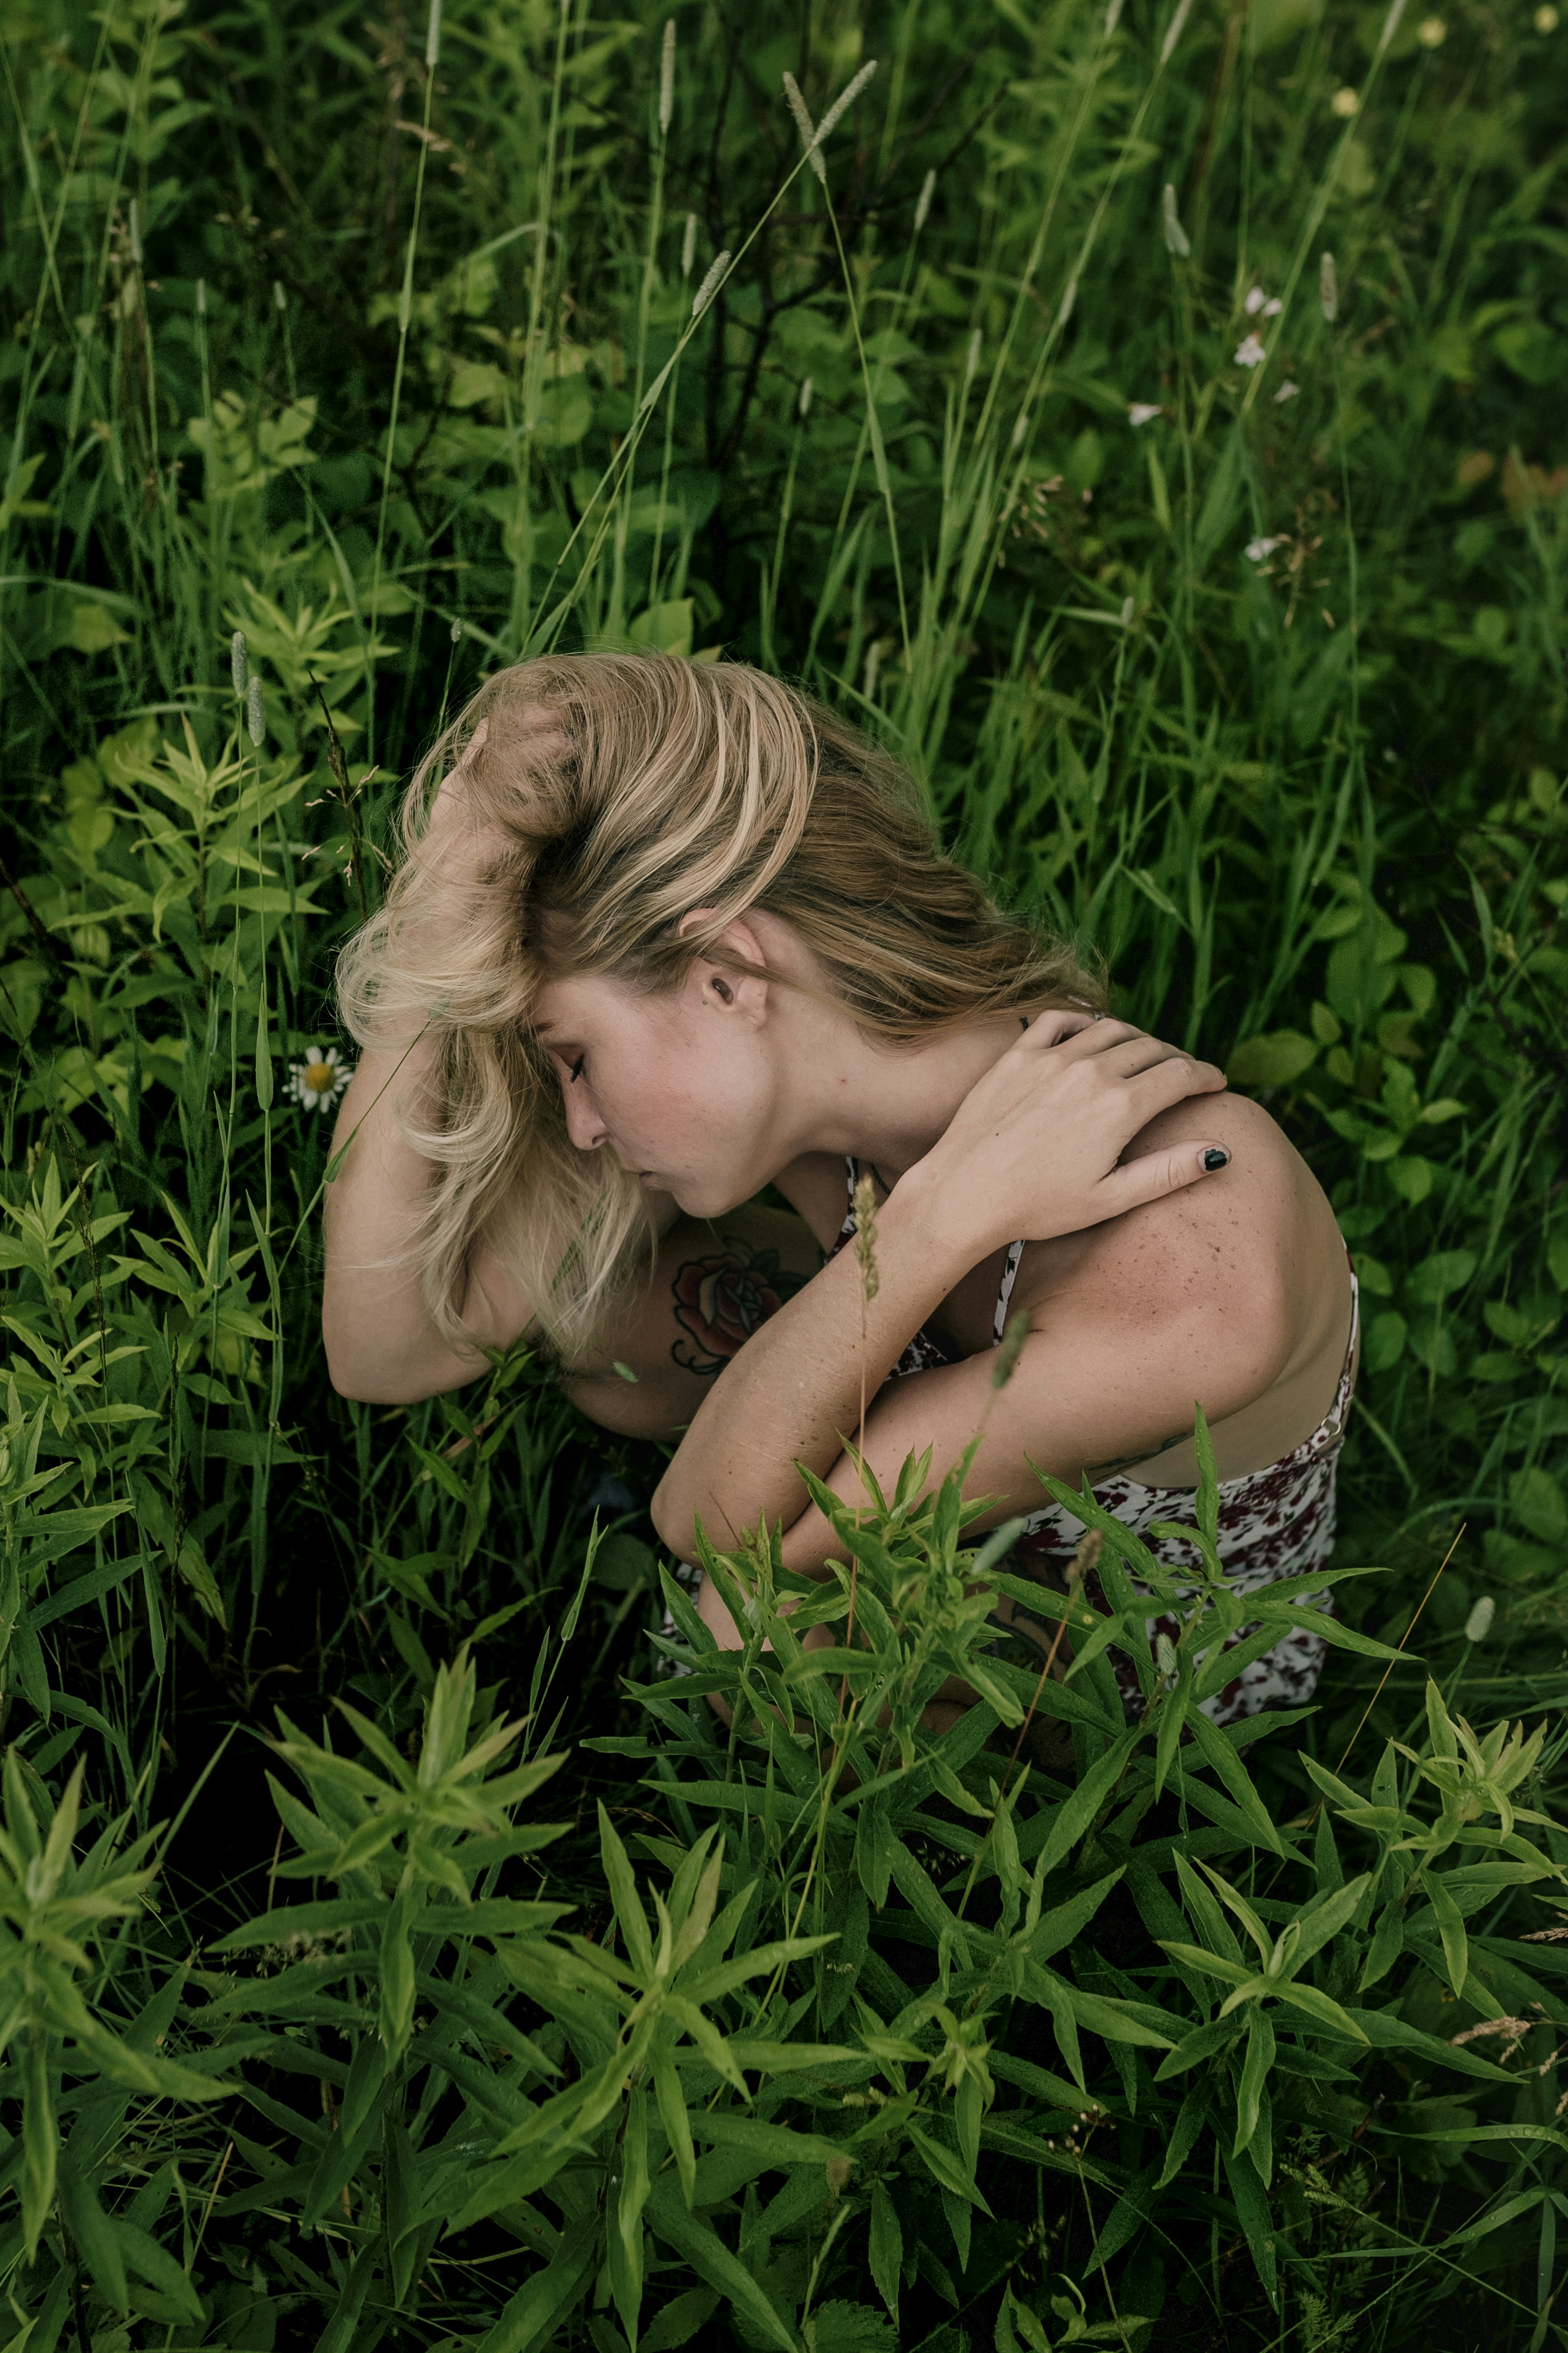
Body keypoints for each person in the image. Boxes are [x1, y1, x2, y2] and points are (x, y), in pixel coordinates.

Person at [320, 653, 1358, 1730]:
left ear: (726, 974)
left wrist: (938, 1217)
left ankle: (948, 1878)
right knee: (609, 1338)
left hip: (1140, 1666)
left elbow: (712, 1530)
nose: (581, 1121)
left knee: (746, 1624)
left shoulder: (1189, 1251)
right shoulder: (816, 1115)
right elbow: (387, 1349)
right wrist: (428, 932)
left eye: (577, 1056)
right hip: (972, 1506)